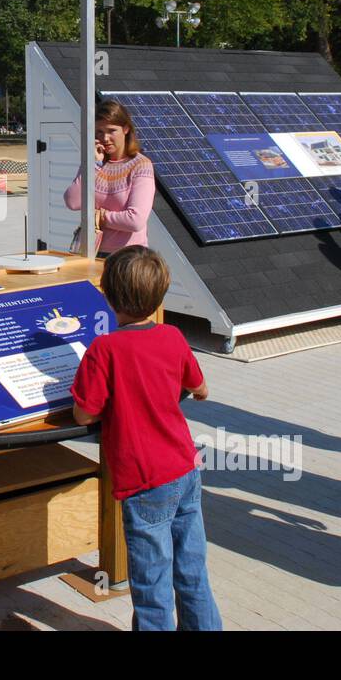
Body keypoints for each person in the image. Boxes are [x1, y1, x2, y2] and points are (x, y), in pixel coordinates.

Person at [70, 245, 221, 631]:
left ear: (108, 294)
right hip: (185, 468)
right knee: (192, 570)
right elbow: (201, 388)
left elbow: (85, 412)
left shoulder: (104, 349)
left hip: (143, 479)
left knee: (151, 584)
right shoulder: (172, 336)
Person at [63, 99, 155, 256]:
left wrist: (100, 216)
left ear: (126, 129)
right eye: (99, 132)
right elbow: (72, 202)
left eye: (112, 130)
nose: (105, 138)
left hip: (128, 257)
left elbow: (135, 221)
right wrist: (93, 164)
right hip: (92, 253)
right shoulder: (95, 163)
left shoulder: (140, 165)